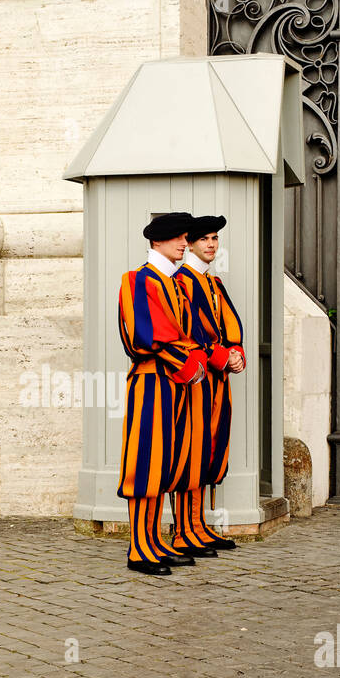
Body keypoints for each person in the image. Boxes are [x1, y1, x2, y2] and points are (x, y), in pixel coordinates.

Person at [117, 213, 209, 574]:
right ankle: (138, 548)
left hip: (176, 384)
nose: (184, 243)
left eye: (185, 237)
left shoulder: (175, 285)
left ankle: (153, 540)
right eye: (177, 238)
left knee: (167, 462)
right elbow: (143, 335)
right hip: (152, 381)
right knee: (145, 463)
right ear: (157, 241)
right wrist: (187, 365)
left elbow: (185, 335)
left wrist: (194, 362)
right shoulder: (138, 280)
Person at [172, 215, 245, 555]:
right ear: (191, 243)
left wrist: (237, 353)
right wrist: (221, 356)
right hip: (196, 379)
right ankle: (184, 531)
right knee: (190, 450)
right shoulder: (182, 282)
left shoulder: (213, 284)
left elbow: (231, 326)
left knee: (210, 449)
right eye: (204, 239)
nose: (212, 244)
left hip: (217, 381)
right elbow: (188, 333)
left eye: (215, 238)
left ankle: (198, 525)